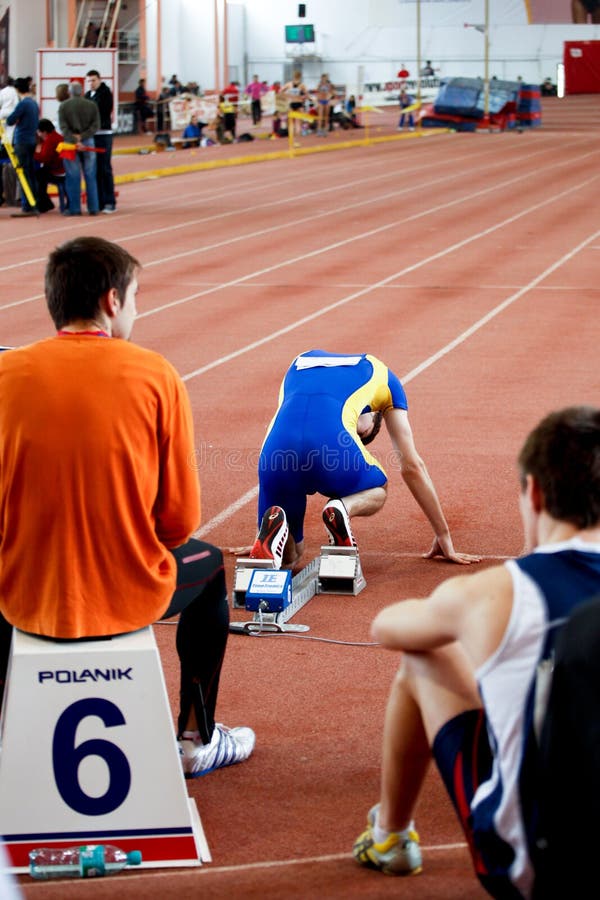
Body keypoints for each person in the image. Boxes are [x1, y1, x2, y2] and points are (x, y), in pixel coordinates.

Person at [0, 235, 255, 778]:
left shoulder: (6, 375)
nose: (137, 310)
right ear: (112, 302)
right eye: (137, 298)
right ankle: (195, 738)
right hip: (124, 591)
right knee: (209, 572)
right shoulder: (155, 375)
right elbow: (180, 522)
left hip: (23, 593)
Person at [352, 405, 600, 899]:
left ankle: (391, 838)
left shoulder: (493, 592)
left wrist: (468, 629)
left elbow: (387, 628)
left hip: (536, 871)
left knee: (425, 657)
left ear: (534, 493)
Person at [245, 349, 479, 570]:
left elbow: (288, 422)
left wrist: (259, 530)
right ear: (377, 412)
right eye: (364, 434)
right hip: (333, 448)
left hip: (276, 454)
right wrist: (443, 534)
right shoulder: (385, 378)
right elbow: (412, 466)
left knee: (291, 558)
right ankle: (342, 508)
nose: (357, 433)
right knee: (379, 486)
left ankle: (271, 532)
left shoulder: (301, 359)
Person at [58, 81, 100, 216]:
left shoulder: (63, 106)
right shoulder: (92, 105)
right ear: (82, 91)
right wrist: (83, 137)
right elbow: (96, 125)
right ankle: (93, 208)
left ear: (69, 92)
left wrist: (74, 139)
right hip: (88, 142)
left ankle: (74, 209)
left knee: (73, 176)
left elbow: (63, 127)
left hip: (70, 143)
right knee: (90, 175)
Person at [5, 76, 39, 217]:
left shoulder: (23, 104)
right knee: (30, 173)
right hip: (31, 140)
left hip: (22, 142)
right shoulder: (34, 103)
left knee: (23, 174)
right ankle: (33, 202)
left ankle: (27, 205)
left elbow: (11, 120)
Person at [85, 69, 117, 213]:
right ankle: (99, 201)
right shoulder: (87, 95)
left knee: (105, 168)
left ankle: (110, 202)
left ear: (99, 79)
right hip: (91, 135)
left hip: (103, 134)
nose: (91, 83)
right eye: (89, 81)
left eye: (93, 80)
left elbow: (102, 111)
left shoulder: (105, 94)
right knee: (94, 169)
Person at [34, 118, 66, 213]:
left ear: (43, 132)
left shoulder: (49, 140)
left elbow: (44, 158)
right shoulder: (58, 137)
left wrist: (34, 154)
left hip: (56, 171)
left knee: (38, 176)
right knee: (41, 174)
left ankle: (44, 204)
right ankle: (46, 203)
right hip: (62, 168)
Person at [281, 70, 308, 146]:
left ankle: (292, 140)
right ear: (300, 77)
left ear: (293, 76)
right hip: (299, 104)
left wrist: (288, 96)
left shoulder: (289, 84)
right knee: (298, 123)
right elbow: (306, 95)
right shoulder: (302, 85)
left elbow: (281, 92)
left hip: (292, 104)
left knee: (291, 123)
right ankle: (296, 141)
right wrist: (302, 97)